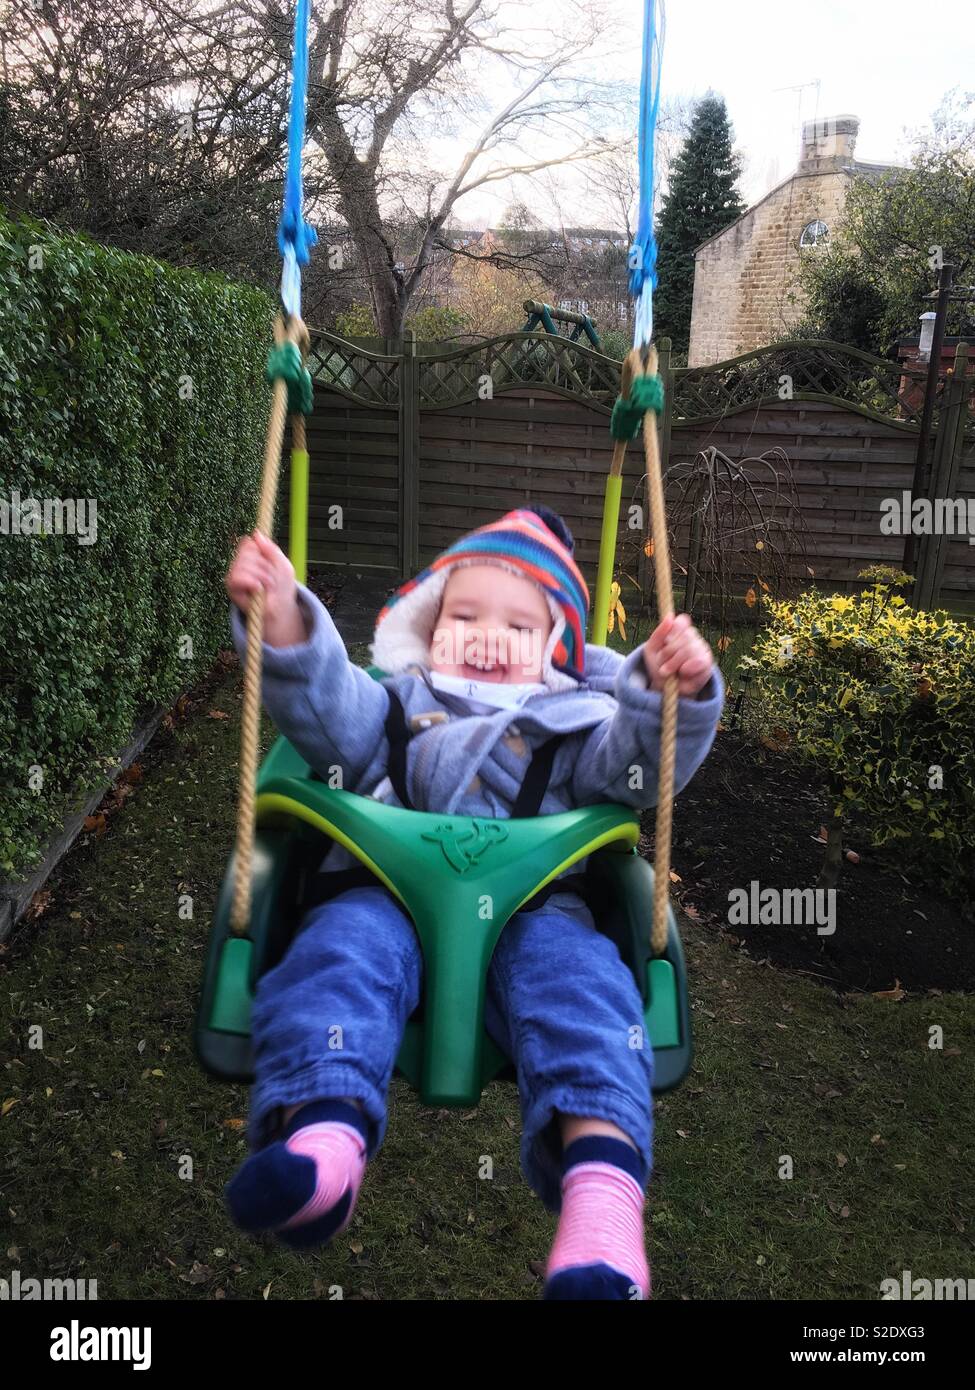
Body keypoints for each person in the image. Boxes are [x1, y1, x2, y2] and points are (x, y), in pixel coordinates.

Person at [222, 505, 723, 1299]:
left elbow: (637, 767)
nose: (489, 635)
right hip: (382, 905)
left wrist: (672, 698)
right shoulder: (392, 706)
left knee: (586, 996)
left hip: (537, 922)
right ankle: (321, 1146)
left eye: (520, 626)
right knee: (336, 959)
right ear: (429, 626)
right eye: (464, 614)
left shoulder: (573, 725)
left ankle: (602, 1213)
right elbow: (320, 709)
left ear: (555, 649)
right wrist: (281, 616)